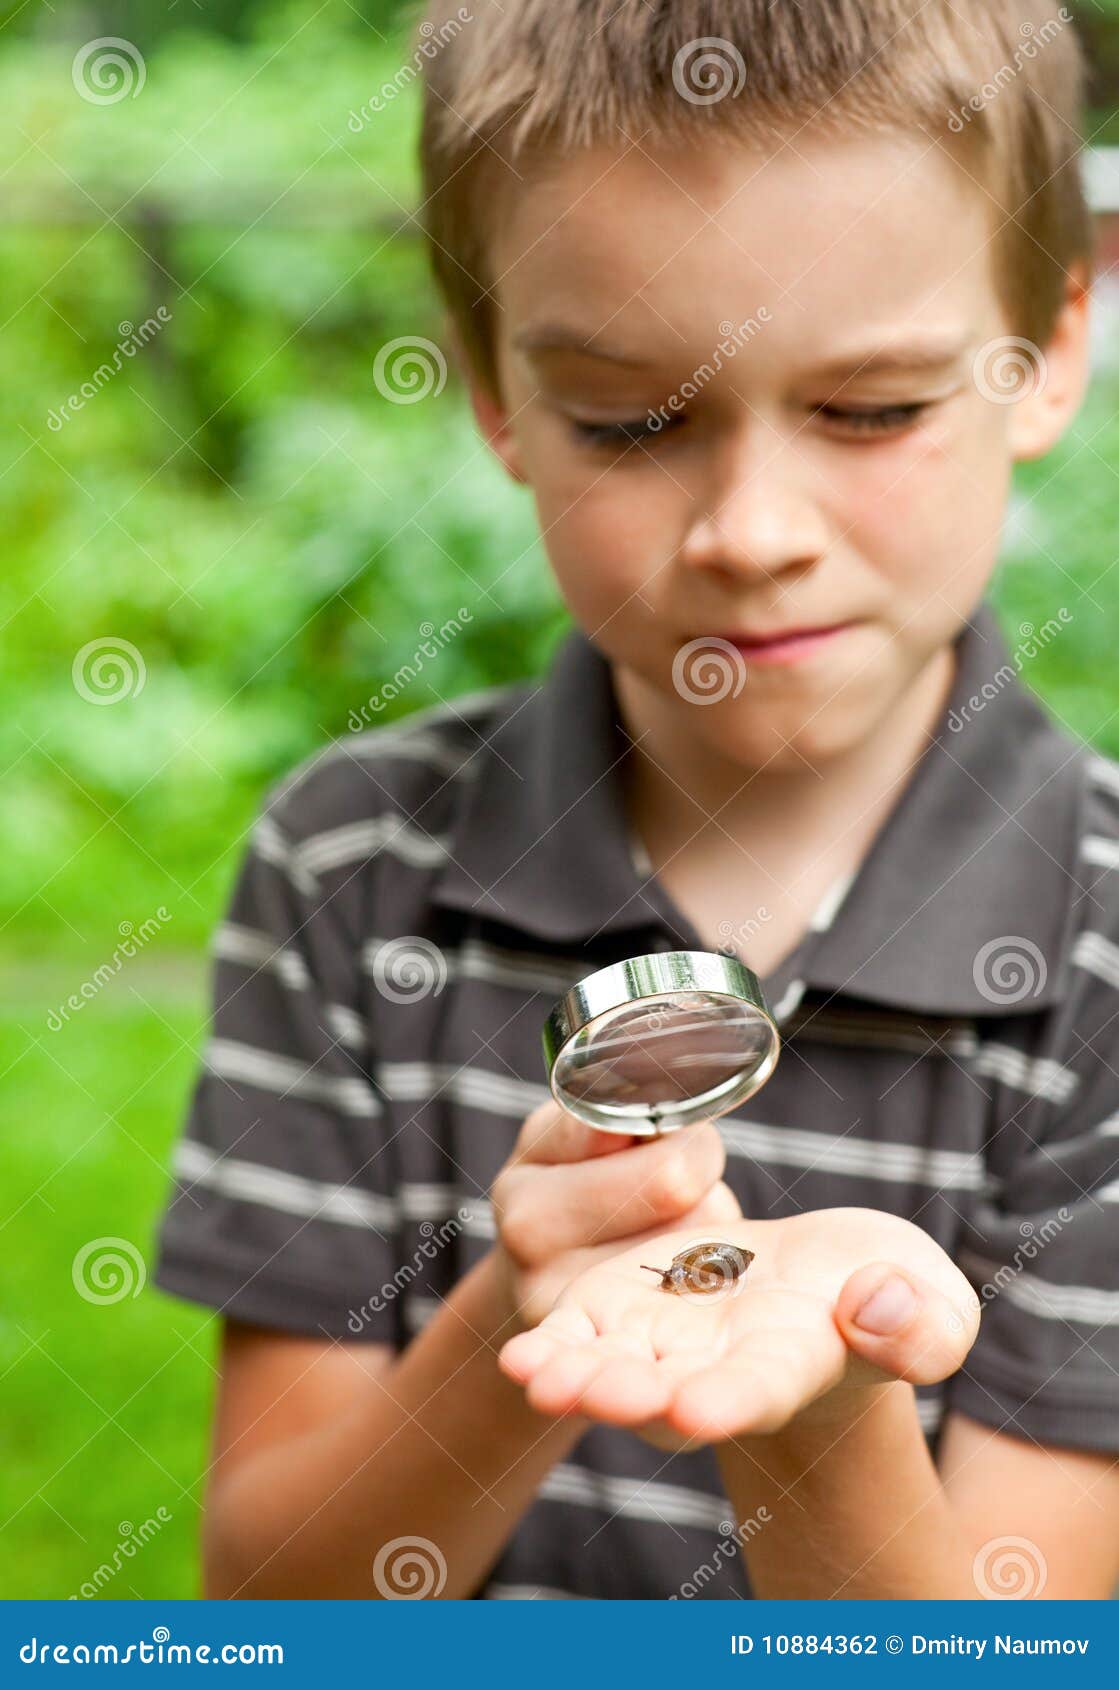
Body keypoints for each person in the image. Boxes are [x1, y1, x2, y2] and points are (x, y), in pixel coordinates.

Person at [152, 0, 1119, 1599]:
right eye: (630, 419)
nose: (752, 528)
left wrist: (815, 1412)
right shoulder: (351, 865)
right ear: (493, 394)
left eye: (870, 408)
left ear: (1053, 344)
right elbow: (274, 1612)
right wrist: (521, 1303)